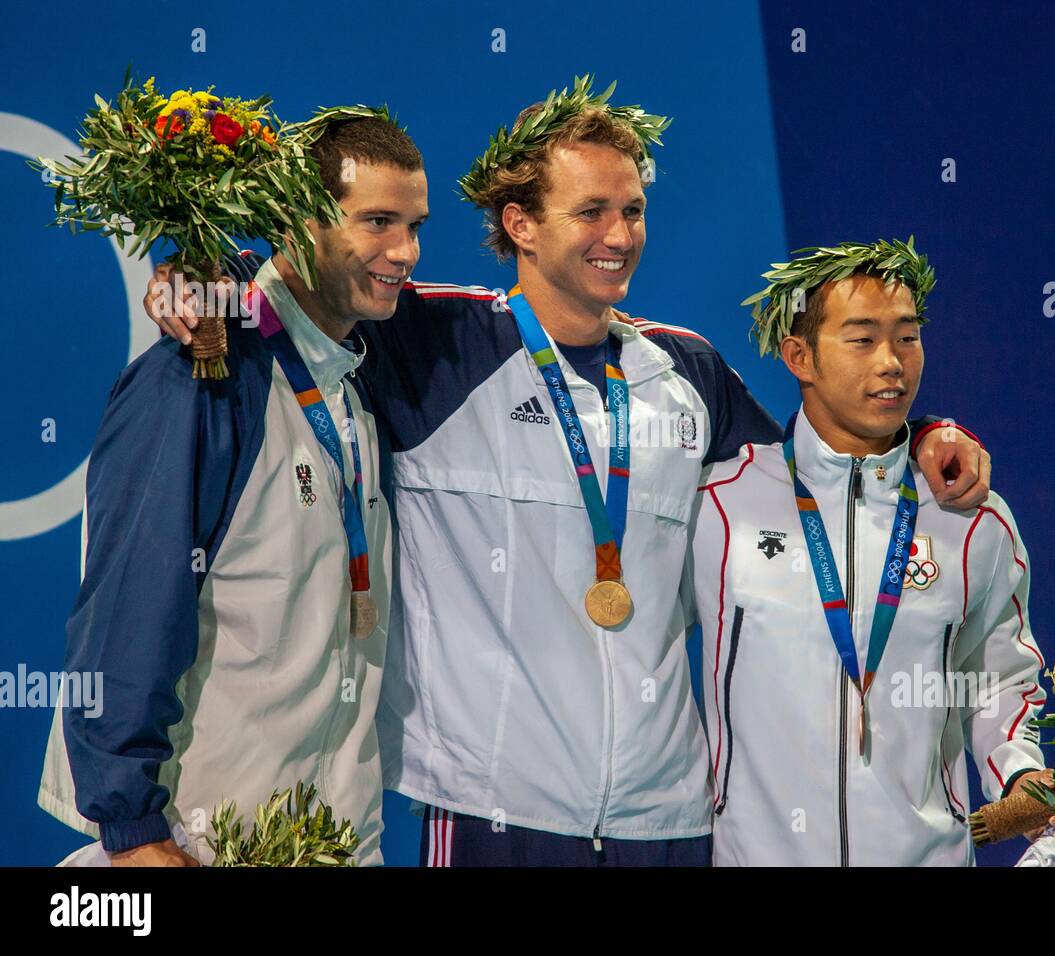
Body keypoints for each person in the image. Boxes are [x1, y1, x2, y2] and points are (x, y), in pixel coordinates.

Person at [149, 80, 993, 866]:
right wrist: (201, 283)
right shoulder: (432, 344)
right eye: (591, 211)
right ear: (521, 224)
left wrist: (922, 433)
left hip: (667, 818)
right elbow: (302, 300)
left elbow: (811, 478)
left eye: (633, 209)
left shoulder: (686, 373)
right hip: (491, 814)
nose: (620, 235)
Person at [38, 115, 427, 866]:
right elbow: (128, 602)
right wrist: (131, 828)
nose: (404, 252)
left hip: (338, 840)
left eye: (414, 225)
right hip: (197, 842)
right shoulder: (199, 376)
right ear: (296, 218)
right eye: (377, 222)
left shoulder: (364, 368)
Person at [692, 239, 1055, 865]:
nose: (892, 363)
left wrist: (1022, 776)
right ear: (799, 355)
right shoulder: (718, 505)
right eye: (861, 339)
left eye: (907, 338)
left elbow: (998, 681)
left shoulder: (971, 517)